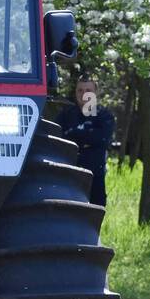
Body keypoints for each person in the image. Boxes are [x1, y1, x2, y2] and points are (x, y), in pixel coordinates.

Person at [58, 75, 116, 207]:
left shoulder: (104, 116)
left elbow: (102, 139)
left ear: (95, 93)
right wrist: (88, 138)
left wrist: (73, 134)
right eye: (80, 90)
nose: (84, 94)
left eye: (88, 90)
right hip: (68, 178)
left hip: (94, 179)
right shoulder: (65, 115)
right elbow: (58, 139)